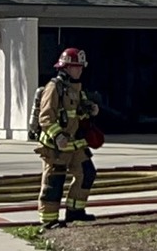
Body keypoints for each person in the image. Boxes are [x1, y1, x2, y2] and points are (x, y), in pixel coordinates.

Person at [35, 47, 99, 228]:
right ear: (65, 67)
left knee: (87, 173)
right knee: (54, 181)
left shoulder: (77, 88)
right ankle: (48, 221)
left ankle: (75, 211)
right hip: (56, 147)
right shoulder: (54, 88)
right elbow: (45, 118)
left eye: (81, 66)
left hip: (75, 144)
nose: (80, 70)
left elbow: (78, 114)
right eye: (76, 66)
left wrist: (90, 109)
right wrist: (57, 136)